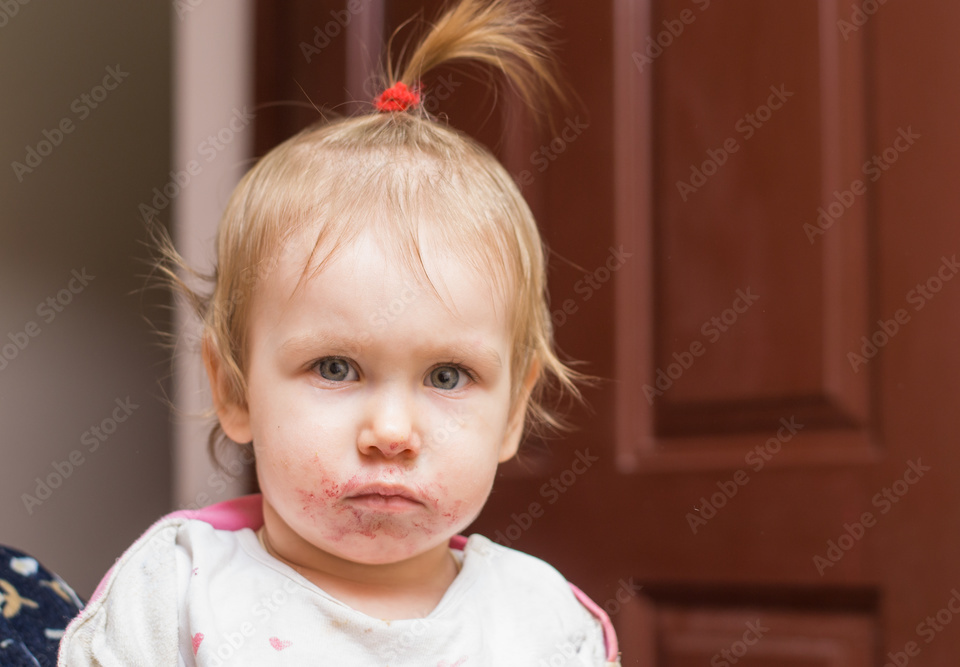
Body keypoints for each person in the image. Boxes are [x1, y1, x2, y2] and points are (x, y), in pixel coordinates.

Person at [58, 0, 620, 663]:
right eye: (334, 367)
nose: (390, 432)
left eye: (447, 375)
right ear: (233, 389)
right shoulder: (177, 588)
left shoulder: (544, 624)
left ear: (513, 411)